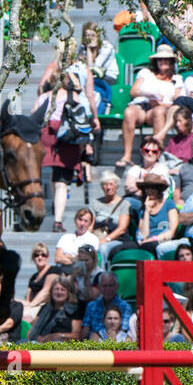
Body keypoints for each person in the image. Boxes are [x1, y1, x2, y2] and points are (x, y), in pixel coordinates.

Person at [37, 64, 92, 231]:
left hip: (47, 134)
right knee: (61, 182)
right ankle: (58, 221)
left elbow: (35, 116)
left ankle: (55, 211)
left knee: (53, 178)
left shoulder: (44, 97)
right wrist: (86, 143)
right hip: (67, 136)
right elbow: (82, 119)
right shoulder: (74, 96)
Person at [119, 45, 184, 169]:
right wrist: (148, 95)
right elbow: (133, 91)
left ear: (171, 62)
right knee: (129, 112)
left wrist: (160, 104)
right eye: (160, 59)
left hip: (160, 108)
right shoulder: (145, 73)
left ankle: (156, 154)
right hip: (141, 106)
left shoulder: (177, 79)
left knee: (159, 112)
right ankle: (126, 156)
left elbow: (178, 101)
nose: (163, 62)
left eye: (166, 59)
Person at [78, 271, 131, 341]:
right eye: (104, 286)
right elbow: (85, 331)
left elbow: (123, 331)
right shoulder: (91, 306)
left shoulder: (125, 307)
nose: (108, 289)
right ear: (99, 287)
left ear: (117, 286)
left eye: (110, 285)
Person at [27, 277, 81, 342]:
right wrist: (37, 336)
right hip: (39, 342)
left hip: (62, 344)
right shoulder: (45, 308)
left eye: (62, 290)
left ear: (68, 293)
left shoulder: (73, 311)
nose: (59, 292)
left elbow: (76, 335)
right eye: (56, 289)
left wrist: (58, 335)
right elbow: (31, 331)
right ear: (51, 291)